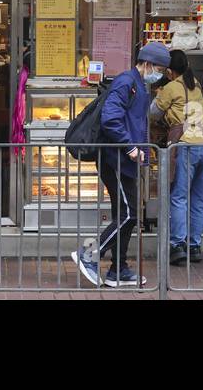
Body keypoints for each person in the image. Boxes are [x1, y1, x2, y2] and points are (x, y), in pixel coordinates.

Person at [73, 41, 169, 287]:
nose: (159, 76)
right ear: (147, 64)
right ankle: (90, 255)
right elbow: (111, 119)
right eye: (158, 68)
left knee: (127, 216)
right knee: (128, 215)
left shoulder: (139, 85)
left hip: (126, 160)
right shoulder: (127, 82)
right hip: (116, 159)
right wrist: (130, 147)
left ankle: (119, 270)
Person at [153, 49, 203, 266]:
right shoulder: (195, 83)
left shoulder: (171, 87)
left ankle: (177, 246)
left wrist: (159, 96)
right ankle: (194, 246)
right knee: (197, 200)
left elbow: (152, 112)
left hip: (185, 145)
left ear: (169, 70)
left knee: (179, 197)